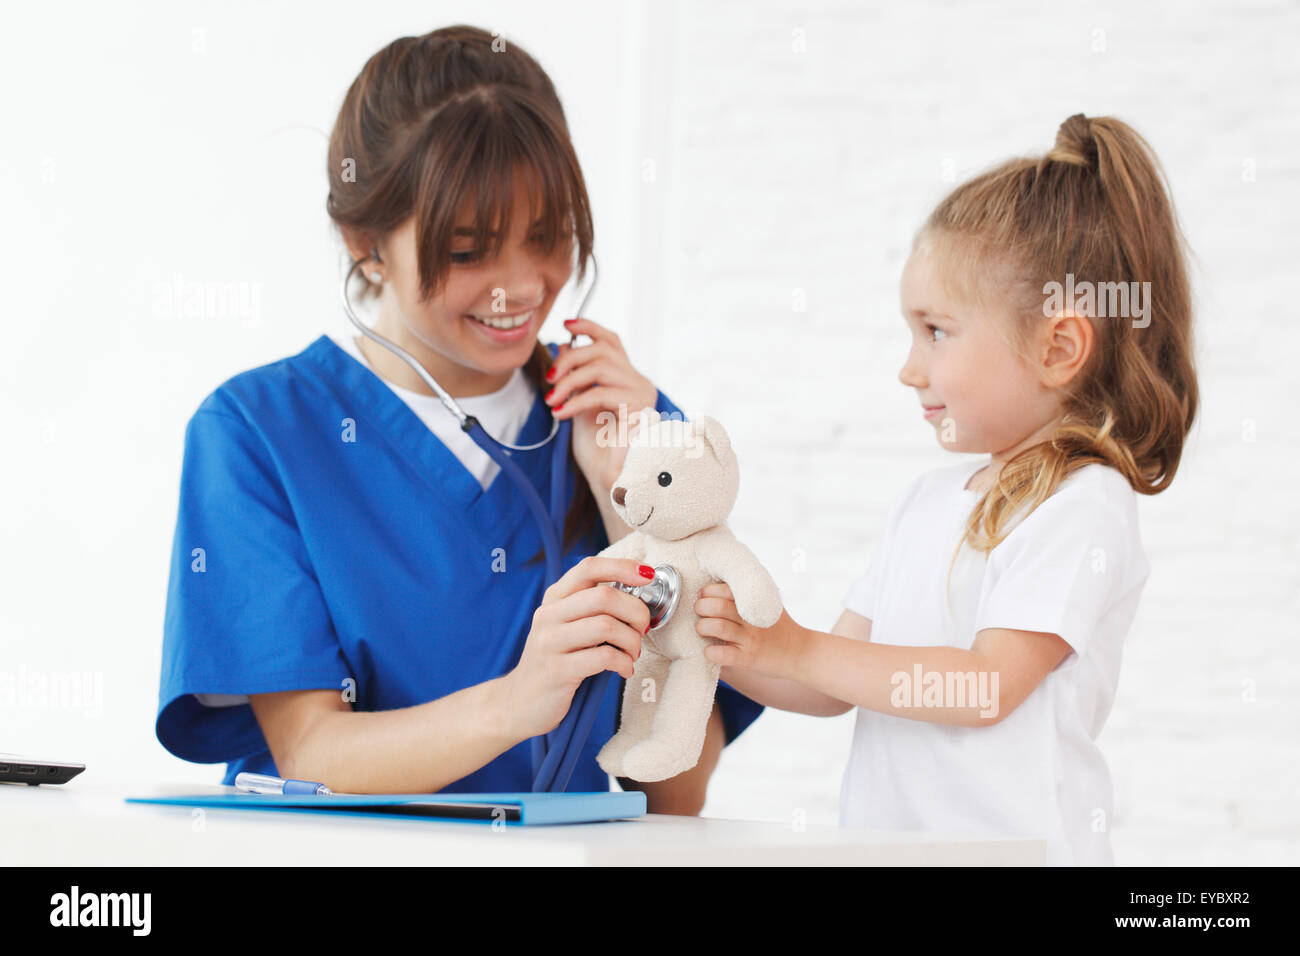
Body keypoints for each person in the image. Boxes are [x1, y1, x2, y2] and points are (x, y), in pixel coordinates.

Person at [156, 25, 762, 810]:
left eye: (548, 238)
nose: (521, 287)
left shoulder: (635, 432)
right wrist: (520, 699)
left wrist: (627, 522)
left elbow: (676, 790)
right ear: (366, 244)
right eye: (471, 250)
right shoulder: (257, 432)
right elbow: (310, 747)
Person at [694, 114, 1198, 863]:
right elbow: (834, 682)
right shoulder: (928, 502)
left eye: (936, 331)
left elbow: (985, 688)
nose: (909, 368)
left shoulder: (1082, 504)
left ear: (1057, 347)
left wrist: (794, 648)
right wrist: (730, 647)